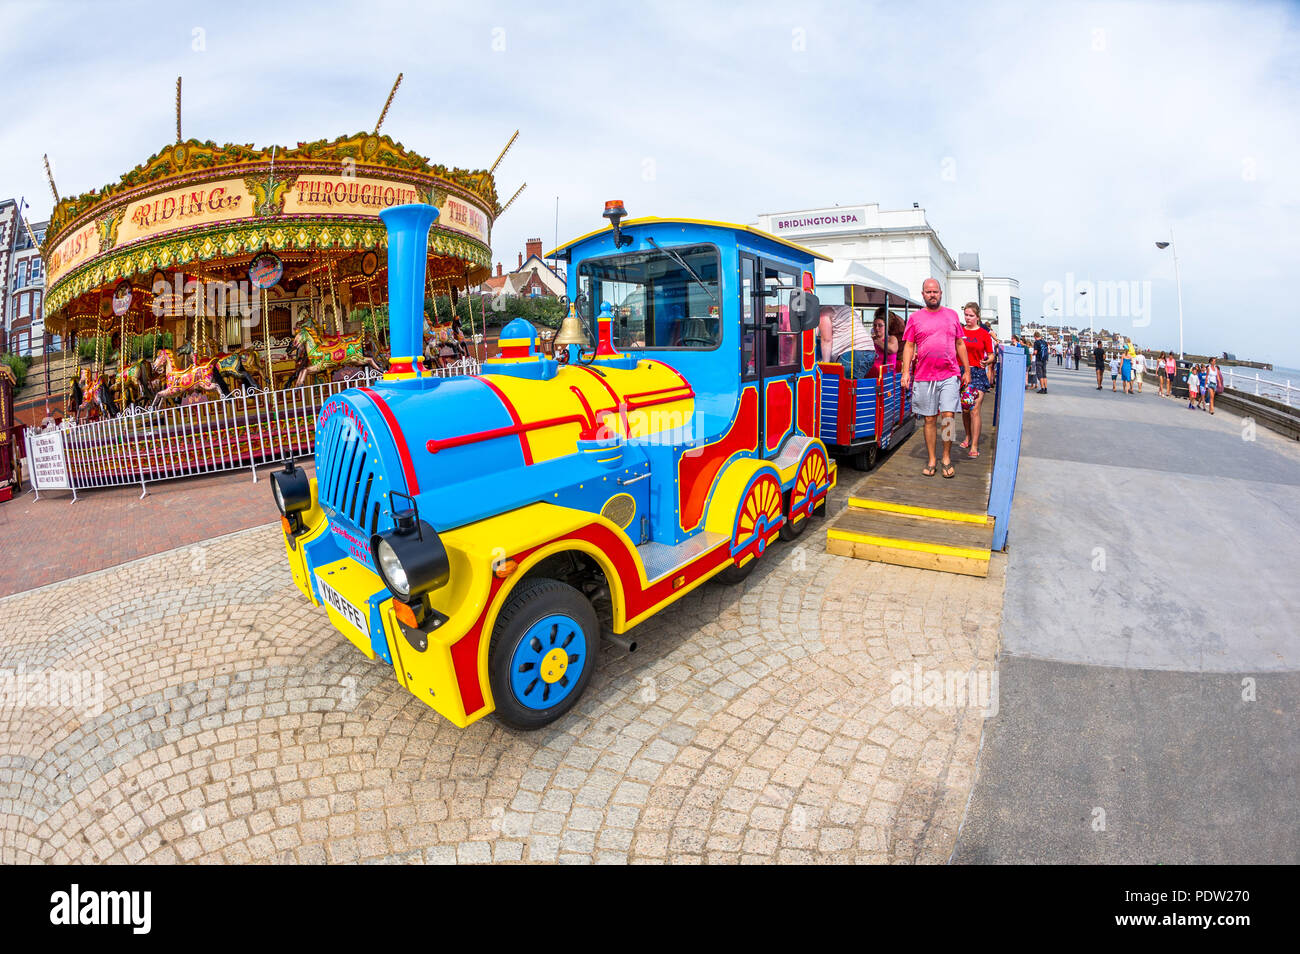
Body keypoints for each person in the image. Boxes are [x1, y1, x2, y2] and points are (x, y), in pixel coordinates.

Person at [900, 278, 970, 479]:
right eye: (928, 292)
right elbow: (909, 346)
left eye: (935, 291)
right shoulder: (915, 318)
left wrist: (967, 370)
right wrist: (906, 372)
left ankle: (946, 457)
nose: (932, 295)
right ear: (923, 294)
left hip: (949, 374)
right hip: (924, 376)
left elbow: (960, 344)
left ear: (941, 293)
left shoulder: (952, 315)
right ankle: (932, 459)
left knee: (948, 417)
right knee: (929, 419)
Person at [959, 302, 994, 457]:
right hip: (961, 372)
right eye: (966, 315)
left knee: (975, 409)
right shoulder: (959, 332)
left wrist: (987, 361)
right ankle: (967, 435)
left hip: (978, 373)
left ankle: (974, 445)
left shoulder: (984, 334)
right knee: (965, 408)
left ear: (977, 317)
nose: (968, 318)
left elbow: (991, 354)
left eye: (971, 315)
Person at [818, 304, 875, 377]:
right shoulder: (843, 307)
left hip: (852, 352)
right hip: (869, 351)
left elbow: (826, 340)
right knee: (853, 384)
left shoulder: (824, 312)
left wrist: (825, 365)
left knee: (845, 386)